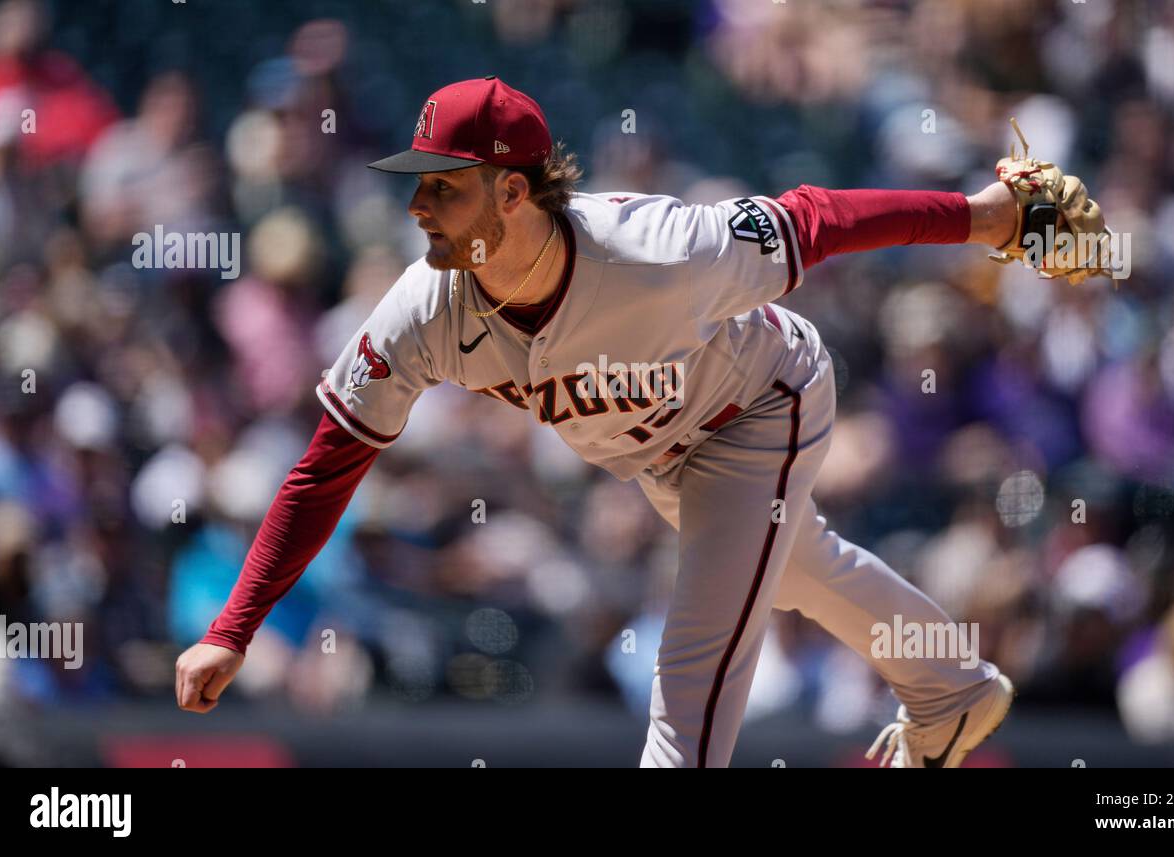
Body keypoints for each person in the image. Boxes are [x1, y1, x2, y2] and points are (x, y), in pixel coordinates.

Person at [176, 75, 1048, 768]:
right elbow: (326, 468)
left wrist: (984, 218)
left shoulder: (658, 251)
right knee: (795, 570)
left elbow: (814, 219)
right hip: (663, 457)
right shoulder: (422, 311)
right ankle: (950, 685)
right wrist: (231, 627)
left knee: (691, 673)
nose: (418, 207)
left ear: (511, 191)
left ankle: (947, 689)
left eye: (442, 186)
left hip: (760, 404)